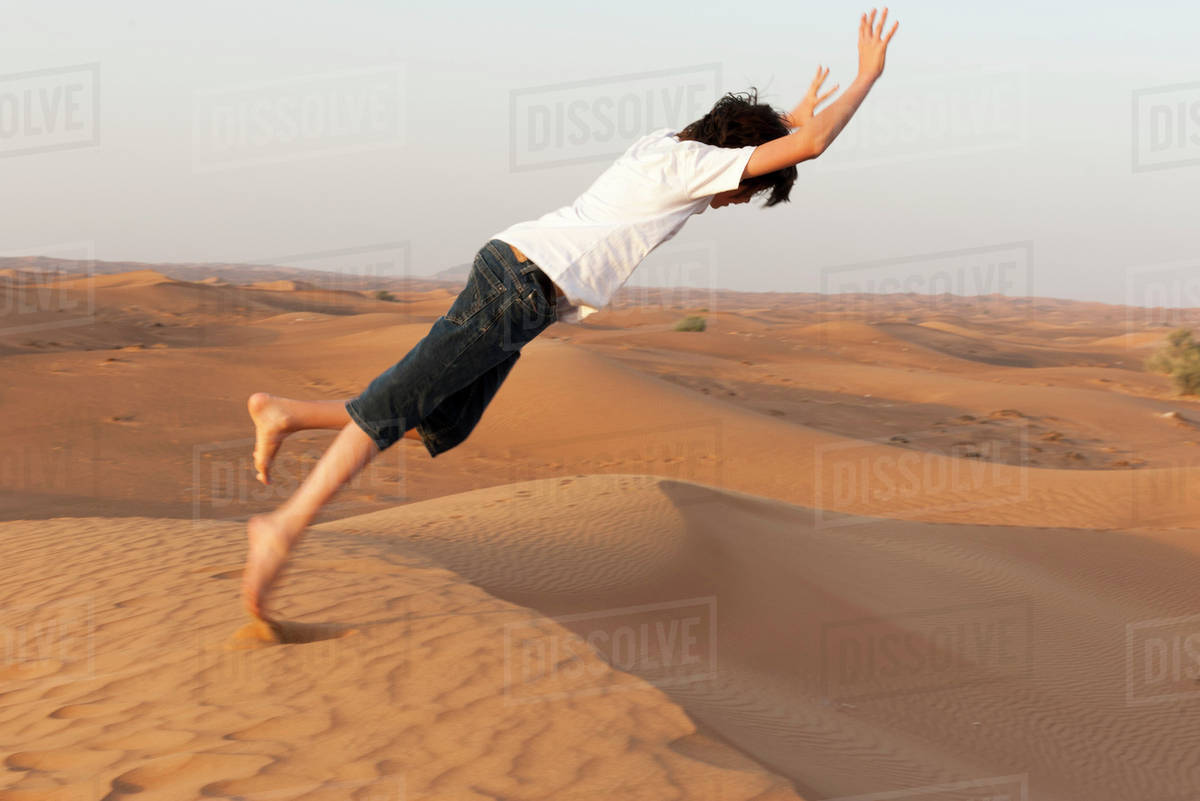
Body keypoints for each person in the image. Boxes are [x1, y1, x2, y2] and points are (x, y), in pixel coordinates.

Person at [241, 9, 899, 619]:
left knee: (440, 423)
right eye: (746, 192)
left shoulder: (666, 146)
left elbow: (771, 139)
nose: (735, 201)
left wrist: (788, 119)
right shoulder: (694, 167)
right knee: (398, 403)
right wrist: (865, 78)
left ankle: (288, 413)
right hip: (520, 284)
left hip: (524, 285)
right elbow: (812, 145)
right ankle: (285, 527)